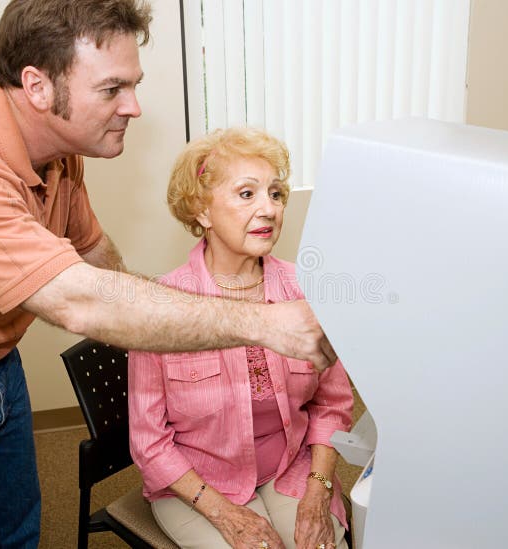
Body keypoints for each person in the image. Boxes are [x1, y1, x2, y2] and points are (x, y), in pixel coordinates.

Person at [0, 2, 336, 548]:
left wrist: (160, 311)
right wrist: (266, 324)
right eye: (111, 90)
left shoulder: (58, 154)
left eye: (134, 85)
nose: (134, 107)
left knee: (17, 530)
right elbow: (80, 302)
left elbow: (96, 256)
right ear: (37, 86)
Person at [129, 127, 354, 549]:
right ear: (201, 211)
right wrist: (227, 515)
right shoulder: (160, 309)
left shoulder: (305, 292)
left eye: (276, 193)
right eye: (247, 194)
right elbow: (149, 443)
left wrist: (318, 493)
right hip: (198, 488)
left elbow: (333, 405)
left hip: (289, 468)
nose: (269, 209)